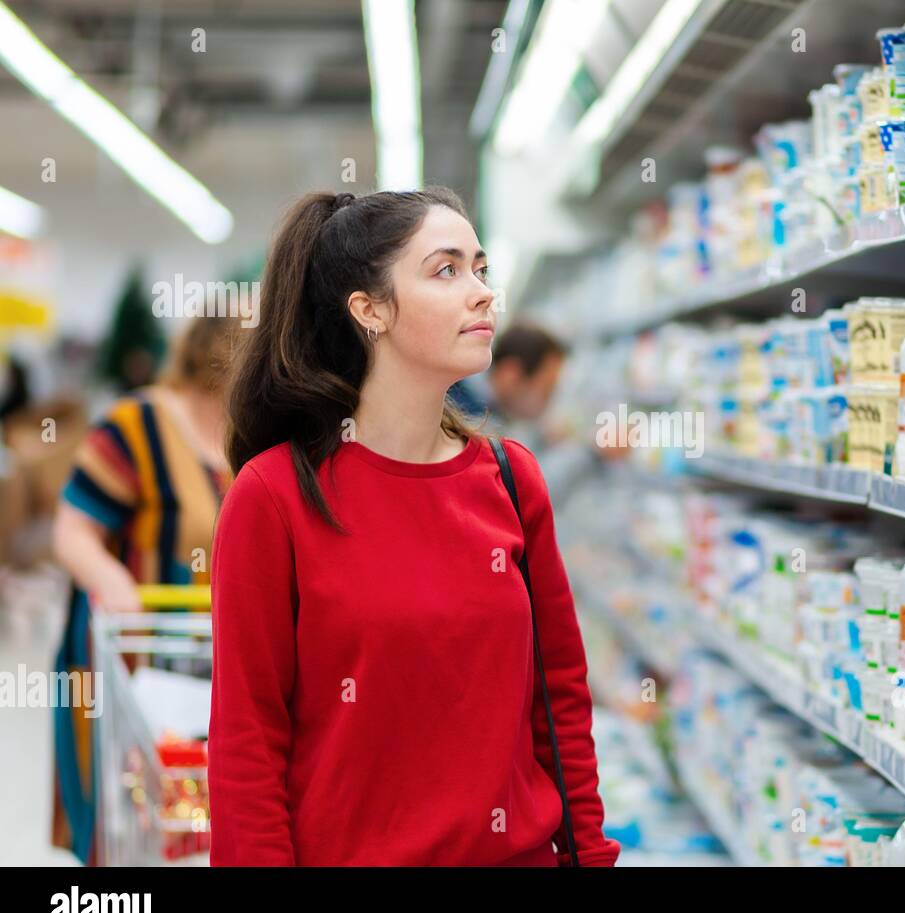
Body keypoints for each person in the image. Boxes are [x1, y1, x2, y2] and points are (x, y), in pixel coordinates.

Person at [209, 188, 619, 867]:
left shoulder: (513, 481)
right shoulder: (274, 497)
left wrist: (593, 856)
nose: (484, 293)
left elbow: (560, 700)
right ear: (369, 311)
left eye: (482, 268)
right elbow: (247, 744)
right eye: (447, 270)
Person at [50, 313, 235, 864]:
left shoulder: (253, 431)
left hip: (206, 662)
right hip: (127, 659)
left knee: (191, 818)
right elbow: (73, 527)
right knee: (124, 820)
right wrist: (111, 578)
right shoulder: (137, 425)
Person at [448, 322, 568, 423]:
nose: (548, 402)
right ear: (511, 375)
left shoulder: (482, 411)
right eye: (546, 390)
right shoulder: (456, 409)